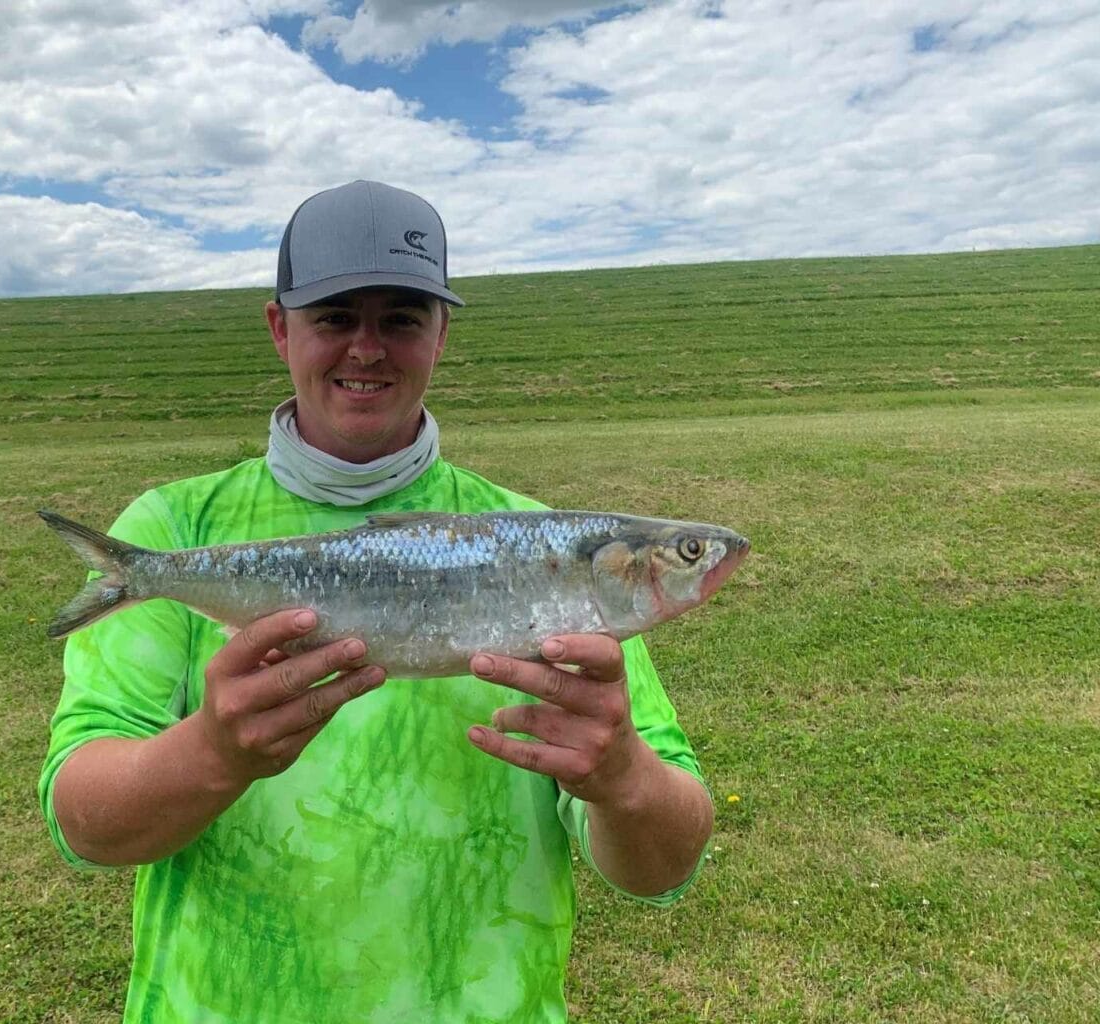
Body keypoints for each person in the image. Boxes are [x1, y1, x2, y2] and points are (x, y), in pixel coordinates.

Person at [39, 180, 714, 1023]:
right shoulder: (173, 530)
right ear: (280, 328)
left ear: (441, 333)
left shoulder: (540, 546)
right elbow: (86, 825)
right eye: (333, 316)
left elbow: (665, 864)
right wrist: (213, 752)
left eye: (400, 317)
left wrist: (621, 777)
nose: (367, 348)